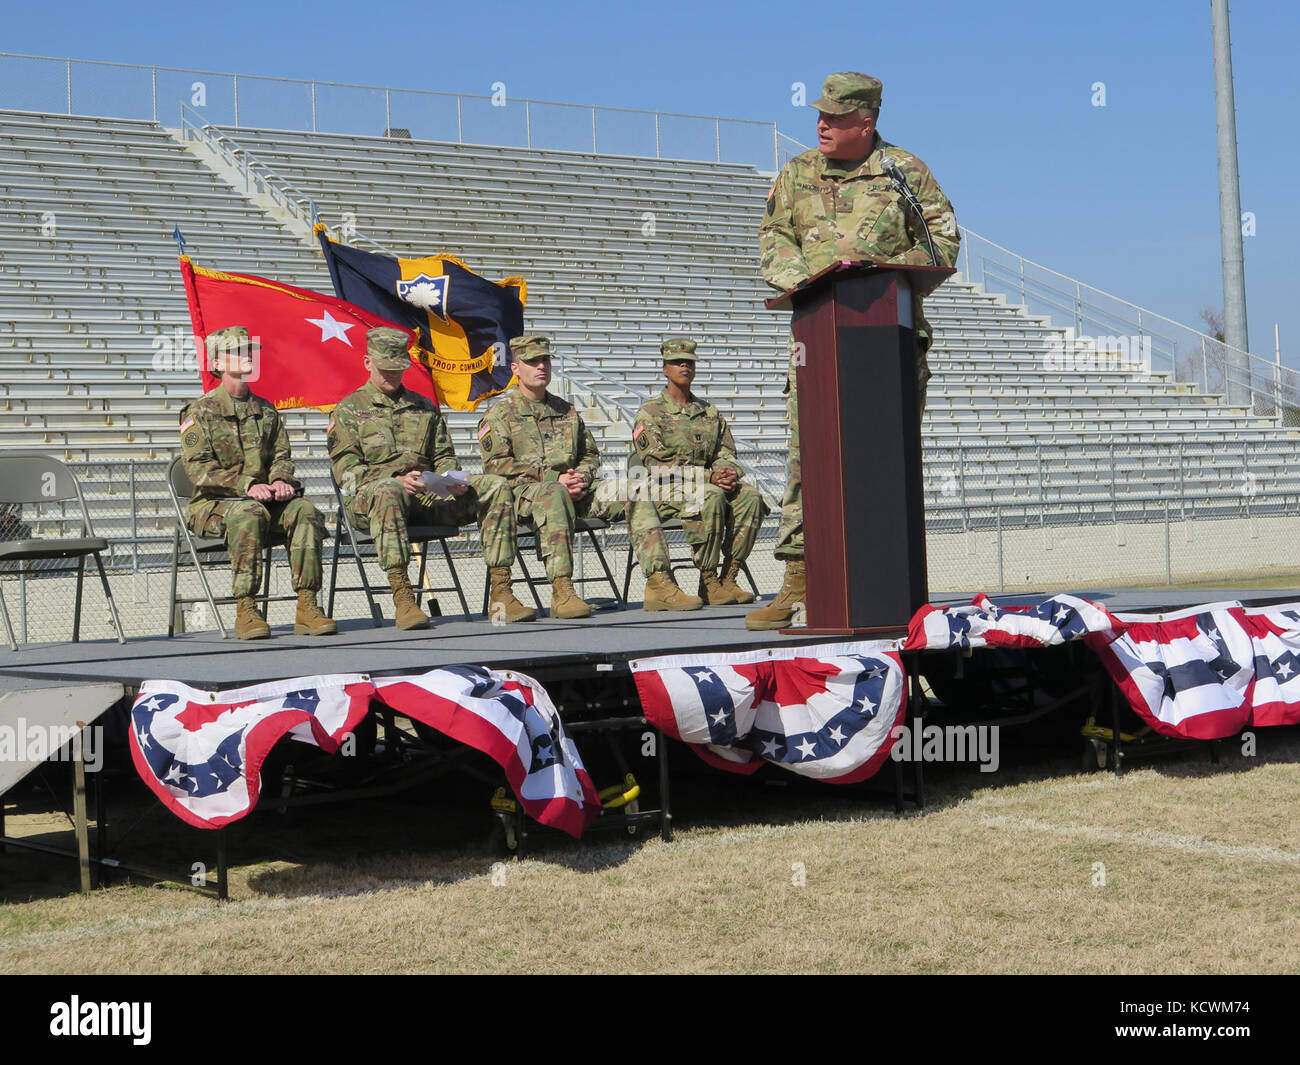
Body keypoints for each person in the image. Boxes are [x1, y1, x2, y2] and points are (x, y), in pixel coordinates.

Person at [748, 71, 959, 630]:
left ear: (866, 122)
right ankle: (798, 582)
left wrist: (885, 275)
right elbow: (773, 241)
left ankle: (896, 582)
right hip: (819, 342)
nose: (821, 124)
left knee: (889, 462)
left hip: (889, 341)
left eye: (836, 117)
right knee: (807, 462)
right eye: (819, 115)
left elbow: (942, 241)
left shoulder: (904, 172)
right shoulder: (796, 174)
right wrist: (817, 278)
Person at [477, 334, 702, 618]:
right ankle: (562, 590)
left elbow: (590, 454)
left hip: (577, 492)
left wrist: (580, 477)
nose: (541, 366)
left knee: (636, 489)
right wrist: (554, 480)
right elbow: (497, 467)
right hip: (526, 499)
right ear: (515, 368)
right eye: (532, 361)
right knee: (553, 493)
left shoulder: (566, 411)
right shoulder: (499, 414)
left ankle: (659, 582)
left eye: (545, 360)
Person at [328, 327, 534, 629]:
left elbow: (445, 454)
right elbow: (345, 474)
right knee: (388, 491)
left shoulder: (424, 407)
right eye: (385, 368)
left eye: (397, 369)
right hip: (373, 501)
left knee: (495, 485)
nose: (391, 376)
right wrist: (394, 479)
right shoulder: (348, 410)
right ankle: (403, 598)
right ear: (368, 363)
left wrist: (446, 478)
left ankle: (501, 593)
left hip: (427, 495)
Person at [180, 325, 336, 640]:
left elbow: (282, 457)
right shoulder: (200, 412)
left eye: (248, 350)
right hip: (214, 506)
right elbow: (198, 470)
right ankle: (246, 608)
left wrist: (280, 480)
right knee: (248, 513)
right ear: (219, 364)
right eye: (237, 351)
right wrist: (247, 484)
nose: (247, 356)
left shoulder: (266, 411)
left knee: (304, 510)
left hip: (264, 503)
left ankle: (307, 605)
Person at [632, 337, 767, 605]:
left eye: (690, 362)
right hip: (665, 490)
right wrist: (709, 477)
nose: (685, 365)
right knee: (710, 495)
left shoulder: (709, 412)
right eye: (676, 362)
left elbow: (725, 452)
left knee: (750, 497)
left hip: (710, 485)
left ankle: (728, 577)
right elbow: (657, 465)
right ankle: (708, 578)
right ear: (665, 369)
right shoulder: (650, 413)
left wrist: (726, 472)